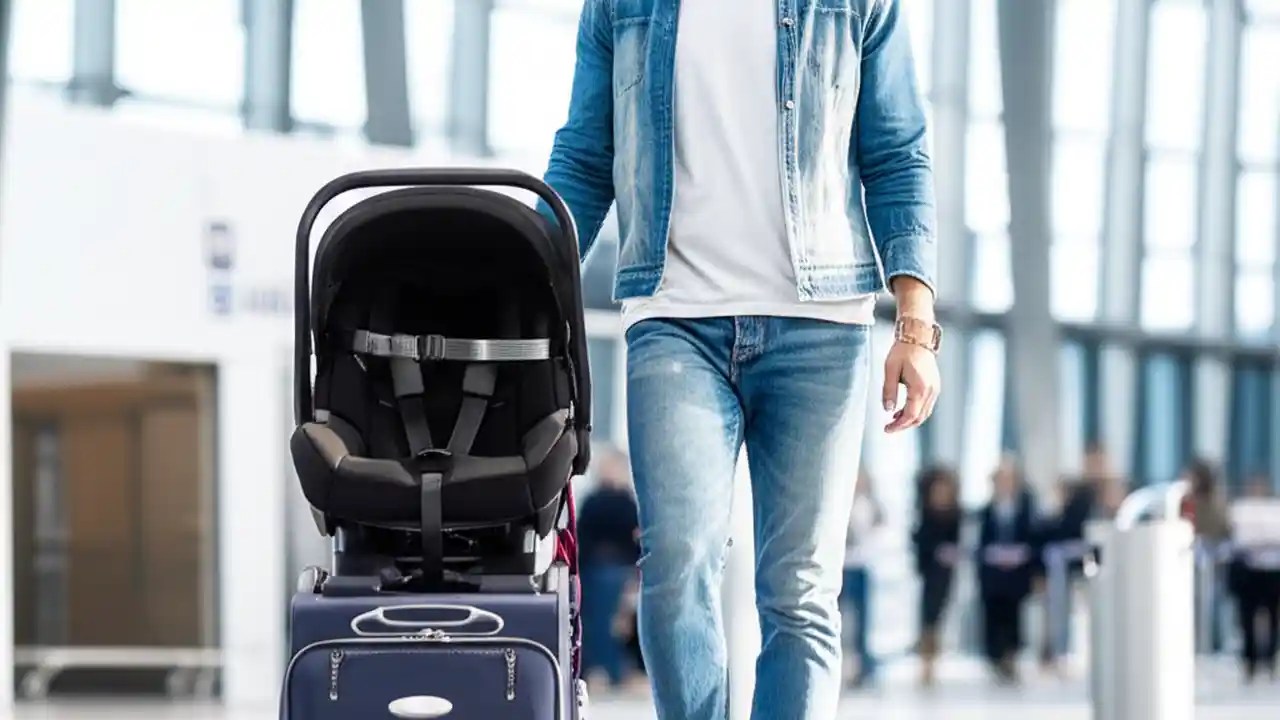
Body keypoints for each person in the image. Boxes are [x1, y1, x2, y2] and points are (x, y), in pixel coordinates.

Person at [542, 2, 940, 718]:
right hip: (673, 317)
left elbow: (897, 153)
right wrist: (520, 284)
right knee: (679, 567)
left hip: (823, 325)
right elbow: (583, 156)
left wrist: (915, 324)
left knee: (800, 588)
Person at [576, 447, 641, 691]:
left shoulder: (614, 502)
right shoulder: (614, 502)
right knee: (603, 624)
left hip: (611, 572)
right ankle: (608, 671)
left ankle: (608, 671)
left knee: (604, 624)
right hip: (605, 571)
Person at [976, 457, 1039, 685]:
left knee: (1014, 618)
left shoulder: (1026, 508)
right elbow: (981, 544)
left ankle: (1011, 657)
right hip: (993, 576)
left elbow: (1033, 538)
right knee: (993, 617)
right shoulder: (987, 510)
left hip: (1016, 575)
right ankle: (996, 658)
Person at [911, 466, 962, 687]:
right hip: (929, 574)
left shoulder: (955, 515)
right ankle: (925, 661)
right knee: (927, 616)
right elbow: (919, 542)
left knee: (939, 616)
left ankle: (934, 658)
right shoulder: (925, 513)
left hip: (946, 574)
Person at [1227, 478, 1280, 682]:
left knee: (1273, 619)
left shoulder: (1274, 510)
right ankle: (1250, 661)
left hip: (1272, 572)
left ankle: (1270, 659)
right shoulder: (1242, 511)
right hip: (1250, 573)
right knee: (1247, 620)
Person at [840, 470, 884, 688]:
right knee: (839, 619)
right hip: (843, 567)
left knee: (862, 621)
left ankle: (864, 667)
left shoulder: (872, 506)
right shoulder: (842, 501)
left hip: (863, 567)